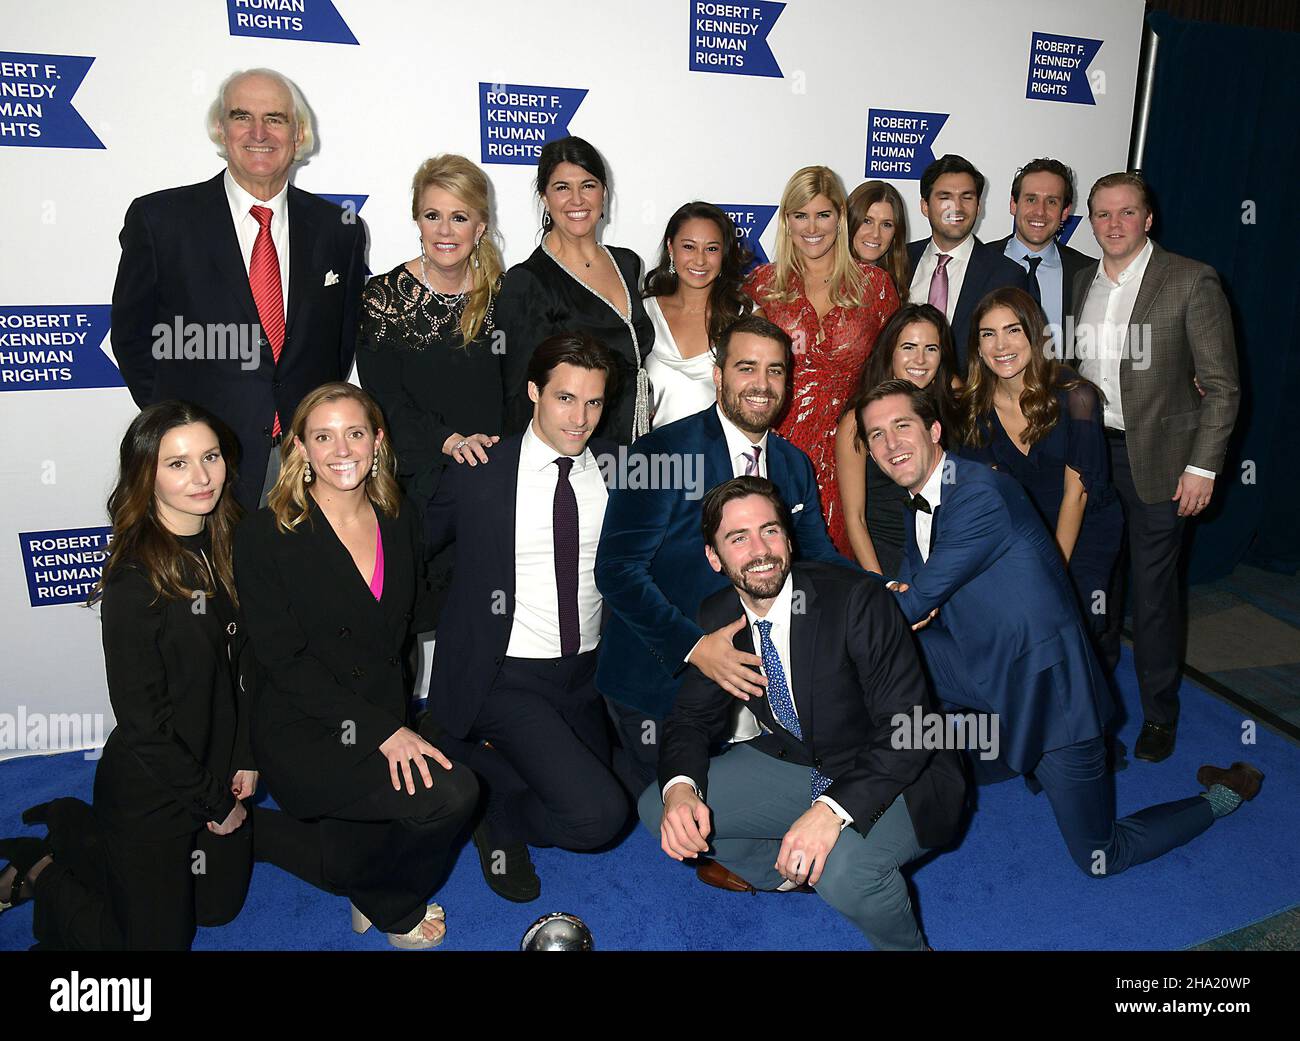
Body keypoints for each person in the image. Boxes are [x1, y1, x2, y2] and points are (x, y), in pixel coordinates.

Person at [861, 380, 1263, 879]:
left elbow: (913, 601)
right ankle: (924, 763)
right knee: (886, 657)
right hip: (985, 664)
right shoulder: (920, 499)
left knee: (1100, 856)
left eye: (902, 426)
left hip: (1046, 692)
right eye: (876, 435)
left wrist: (820, 623)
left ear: (935, 430)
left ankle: (1224, 794)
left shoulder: (978, 494)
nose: (891, 444)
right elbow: (905, 589)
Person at [640, 476, 967, 949]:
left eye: (770, 531)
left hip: (902, 772)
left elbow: (910, 731)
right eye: (738, 538)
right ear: (713, 557)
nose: (760, 550)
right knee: (658, 806)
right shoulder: (719, 616)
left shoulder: (856, 601)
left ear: (788, 538)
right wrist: (681, 791)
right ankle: (784, 875)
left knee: (844, 870)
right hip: (803, 759)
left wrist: (830, 812)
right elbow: (689, 720)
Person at [0, 403, 261, 950]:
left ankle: (79, 831)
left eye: (209, 457)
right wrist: (216, 803)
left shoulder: (232, 541)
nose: (202, 477)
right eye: (178, 464)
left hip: (219, 762)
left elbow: (246, 671)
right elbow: (145, 728)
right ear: (147, 475)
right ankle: (43, 870)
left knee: (217, 910)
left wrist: (244, 758)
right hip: (154, 786)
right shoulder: (136, 581)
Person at [234, 383, 478, 949]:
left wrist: (496, 588)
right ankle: (389, 902)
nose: (341, 449)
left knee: (360, 840)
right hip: (307, 729)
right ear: (300, 447)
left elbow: (411, 608)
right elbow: (282, 662)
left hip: (382, 708)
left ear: (378, 440)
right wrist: (383, 733)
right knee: (454, 793)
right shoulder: (264, 534)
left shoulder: (398, 515)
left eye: (355, 433)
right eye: (323, 436)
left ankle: (355, 882)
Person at [595, 315, 847, 804]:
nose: (762, 384)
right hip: (661, 678)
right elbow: (617, 569)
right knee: (687, 817)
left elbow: (817, 555)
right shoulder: (660, 453)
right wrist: (694, 648)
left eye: (776, 371)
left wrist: (881, 591)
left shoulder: (793, 463)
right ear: (719, 375)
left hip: (759, 673)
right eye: (747, 367)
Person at [419, 333, 627, 904]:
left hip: (584, 676)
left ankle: (486, 777)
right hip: (503, 676)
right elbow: (412, 549)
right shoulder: (481, 468)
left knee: (634, 790)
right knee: (599, 818)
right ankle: (494, 809)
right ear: (534, 392)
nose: (579, 418)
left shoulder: (619, 470)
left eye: (593, 402)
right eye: (564, 398)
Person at [111, 68, 367, 511]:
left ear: (298, 133)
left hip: (299, 462)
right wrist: (178, 432)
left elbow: (338, 347)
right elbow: (134, 338)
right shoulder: (161, 220)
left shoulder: (338, 229)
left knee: (292, 581)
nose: (259, 132)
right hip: (202, 469)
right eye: (242, 116)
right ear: (221, 130)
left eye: (276, 118)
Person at [1073, 172, 1240, 763]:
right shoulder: (1078, 281)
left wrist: (1204, 467)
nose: (1113, 225)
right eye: (1101, 214)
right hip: (1091, 457)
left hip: (1164, 463)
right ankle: (1095, 708)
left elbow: (1222, 387)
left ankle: (1159, 715)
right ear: (1089, 221)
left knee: (1153, 596)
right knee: (1095, 587)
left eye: (1125, 213)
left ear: (1148, 219)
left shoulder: (1191, 281)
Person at [356, 154, 506, 619]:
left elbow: (520, 391)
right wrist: (451, 442)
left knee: (488, 627)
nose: (445, 231)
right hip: (413, 491)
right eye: (432, 215)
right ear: (417, 221)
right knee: (405, 620)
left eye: (459, 217)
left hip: (494, 488)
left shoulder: (505, 296)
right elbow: (382, 401)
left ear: (479, 227)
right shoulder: (383, 297)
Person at [743, 166, 899, 557]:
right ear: (787, 221)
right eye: (800, 215)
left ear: (840, 218)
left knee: (842, 576)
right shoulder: (761, 286)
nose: (812, 227)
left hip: (852, 456)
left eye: (824, 214)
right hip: (776, 453)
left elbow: (895, 375)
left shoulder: (875, 287)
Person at [959, 287, 1122, 638]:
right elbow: (989, 497)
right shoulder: (974, 408)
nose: (1001, 346)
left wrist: (1053, 570)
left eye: (1013, 330)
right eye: (989, 334)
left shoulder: (1076, 396)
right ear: (977, 348)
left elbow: (1076, 496)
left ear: (1035, 335)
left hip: (1081, 527)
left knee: (1073, 623)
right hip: (1022, 531)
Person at [496, 136, 653, 443]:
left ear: (604, 192)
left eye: (588, 185)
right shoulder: (527, 281)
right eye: (562, 188)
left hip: (638, 446)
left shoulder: (627, 263)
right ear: (544, 197)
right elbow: (518, 395)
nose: (577, 199)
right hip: (578, 452)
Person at [836, 304, 960, 576]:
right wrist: (882, 585)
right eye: (908, 347)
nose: (920, 360)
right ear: (889, 351)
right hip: (889, 555)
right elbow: (855, 519)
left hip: (948, 554)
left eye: (931, 349)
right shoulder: (856, 421)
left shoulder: (951, 403)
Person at [906, 154, 1026, 368]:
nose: (957, 207)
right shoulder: (898, 261)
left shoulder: (1007, 275)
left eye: (967, 197)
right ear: (925, 206)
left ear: (979, 206)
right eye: (945, 197)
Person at [642, 201, 753, 427]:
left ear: (724, 253)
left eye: (711, 248)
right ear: (671, 248)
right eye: (689, 247)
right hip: (656, 456)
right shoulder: (643, 313)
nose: (700, 260)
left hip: (721, 458)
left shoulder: (746, 318)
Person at [992, 158, 1094, 345]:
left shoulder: (1088, 272)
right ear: (1013, 205)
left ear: (1065, 212)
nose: (1040, 211)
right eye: (1031, 199)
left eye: (1052, 202)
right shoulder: (978, 262)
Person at [846, 179, 911, 298]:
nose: (876, 234)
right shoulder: (821, 279)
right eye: (867, 221)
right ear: (849, 222)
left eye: (886, 225)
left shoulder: (900, 284)